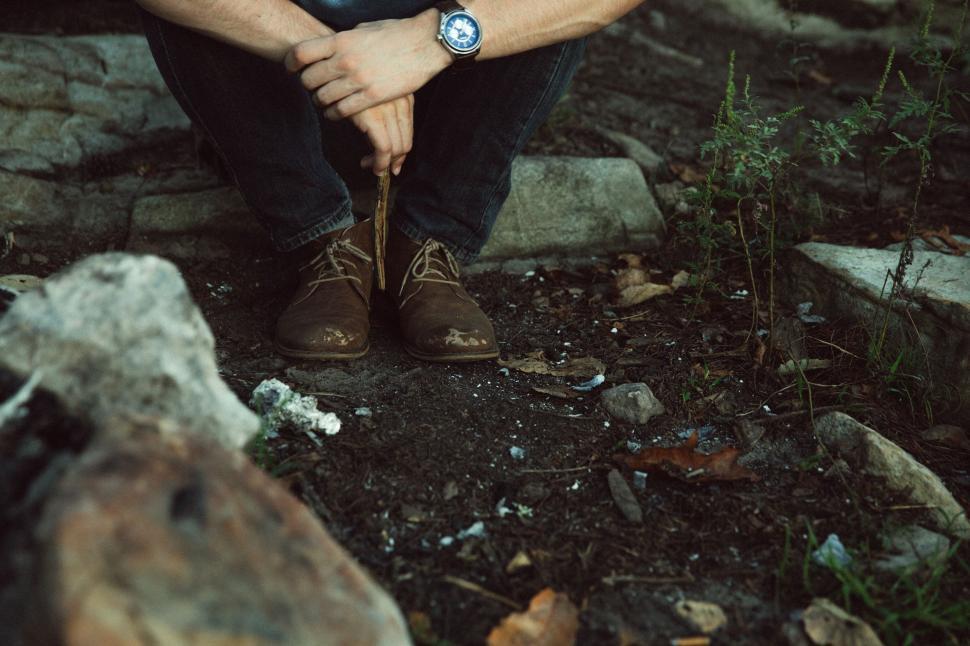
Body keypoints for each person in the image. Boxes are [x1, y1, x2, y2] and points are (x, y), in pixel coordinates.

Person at [135, 0, 643, 362]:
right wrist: (347, 63)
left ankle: (429, 240)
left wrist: (428, 43)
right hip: (280, 93)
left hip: (450, 97)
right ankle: (324, 239)